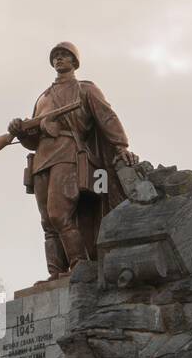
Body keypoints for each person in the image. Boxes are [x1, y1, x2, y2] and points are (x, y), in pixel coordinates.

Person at [8, 42, 138, 280]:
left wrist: (121, 146)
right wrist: (20, 131)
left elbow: (107, 117)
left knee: (59, 214)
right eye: (55, 56)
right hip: (41, 161)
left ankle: (80, 266)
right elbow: (33, 140)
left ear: (74, 61)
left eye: (64, 56)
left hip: (68, 155)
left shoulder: (85, 89)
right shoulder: (43, 97)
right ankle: (55, 273)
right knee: (47, 222)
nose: (59, 59)